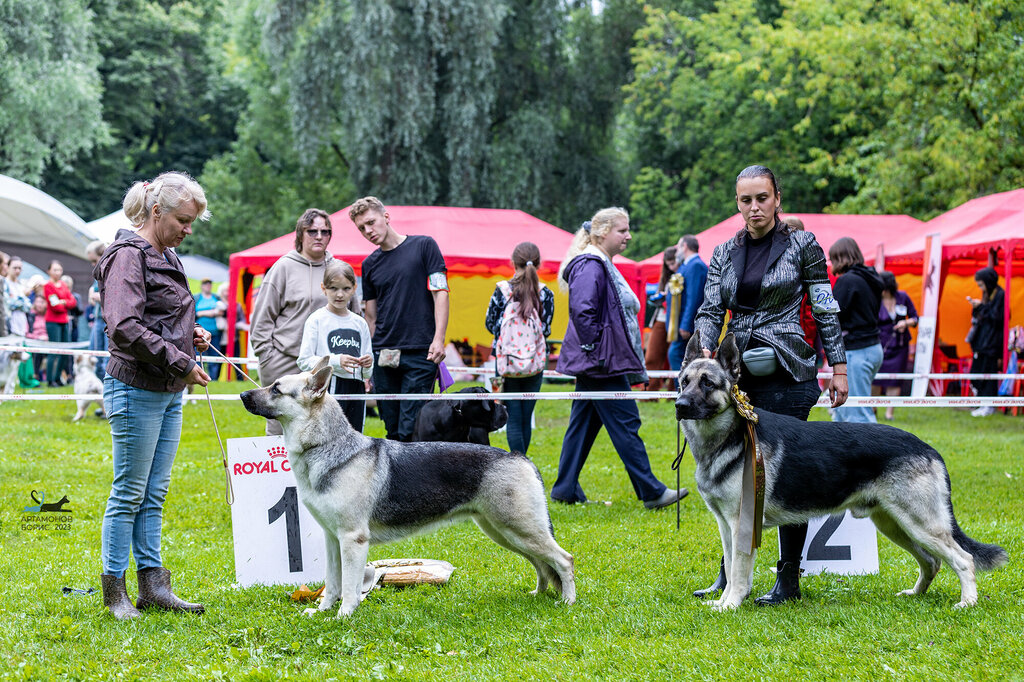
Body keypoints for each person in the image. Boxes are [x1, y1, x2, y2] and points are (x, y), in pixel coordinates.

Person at [693, 165, 849, 605]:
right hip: (736, 380)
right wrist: (706, 346)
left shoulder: (803, 244)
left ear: (777, 198)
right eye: (746, 200)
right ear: (737, 203)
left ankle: (788, 578)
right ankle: (729, 575)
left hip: (788, 373)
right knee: (730, 476)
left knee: (789, 477)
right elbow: (709, 311)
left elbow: (825, 308)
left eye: (762, 198)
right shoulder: (724, 251)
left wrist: (837, 366)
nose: (754, 207)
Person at [95, 171, 212, 620]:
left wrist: (190, 335)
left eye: (192, 222)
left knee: (154, 493)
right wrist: (182, 361)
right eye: (183, 220)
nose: (188, 229)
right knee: (129, 492)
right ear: (157, 211)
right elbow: (124, 328)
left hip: (166, 389)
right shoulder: (127, 255)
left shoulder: (168, 254)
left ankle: (154, 587)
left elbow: (157, 315)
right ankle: (114, 592)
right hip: (134, 388)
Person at [551, 208, 686, 510]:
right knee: (627, 422)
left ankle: (564, 489)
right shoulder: (591, 264)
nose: (628, 235)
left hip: (600, 360)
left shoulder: (600, 263)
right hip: (602, 362)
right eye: (622, 231)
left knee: (582, 424)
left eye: (627, 230)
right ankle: (651, 491)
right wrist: (596, 349)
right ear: (601, 233)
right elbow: (582, 311)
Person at [351, 196, 449, 441]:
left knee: (412, 428)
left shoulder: (424, 246)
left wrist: (439, 339)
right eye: (362, 228)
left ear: (386, 216)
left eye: (371, 222)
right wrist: (370, 361)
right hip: (384, 354)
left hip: (421, 351)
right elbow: (370, 317)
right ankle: (397, 480)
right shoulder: (369, 264)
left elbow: (441, 293)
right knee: (392, 429)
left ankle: (417, 479)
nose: (368, 231)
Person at [250, 208, 339, 435]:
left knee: (323, 429)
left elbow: (351, 312)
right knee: (279, 427)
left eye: (325, 231)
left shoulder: (336, 268)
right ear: (300, 234)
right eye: (312, 231)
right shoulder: (283, 267)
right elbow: (261, 318)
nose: (319, 236)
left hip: (324, 365)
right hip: (284, 360)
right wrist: (267, 358)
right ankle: (277, 473)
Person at [484, 241, 554, 454]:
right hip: (534, 362)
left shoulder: (502, 290)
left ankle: (520, 464)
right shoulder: (545, 294)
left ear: (513, 263)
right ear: (539, 264)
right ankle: (525, 463)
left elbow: (490, 324)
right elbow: (546, 329)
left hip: (507, 362)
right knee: (526, 414)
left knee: (512, 416)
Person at [298, 260, 373, 432]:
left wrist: (368, 365)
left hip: (356, 389)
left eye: (346, 288)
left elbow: (366, 371)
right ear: (323, 288)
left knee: (355, 436)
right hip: (327, 388)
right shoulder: (316, 320)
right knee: (328, 437)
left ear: (354, 288)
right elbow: (304, 360)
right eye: (333, 288)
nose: (340, 294)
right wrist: (336, 361)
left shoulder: (360, 323)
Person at [829, 237, 884, 424]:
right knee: (845, 411)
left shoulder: (847, 281)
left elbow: (833, 314)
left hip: (857, 350)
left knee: (856, 414)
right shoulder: (870, 278)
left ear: (838, 258)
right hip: (872, 348)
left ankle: (877, 452)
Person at [873, 271, 918, 420]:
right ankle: (872, 408)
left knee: (895, 379)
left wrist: (906, 322)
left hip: (900, 346)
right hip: (880, 345)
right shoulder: (875, 299)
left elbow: (915, 318)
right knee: (876, 378)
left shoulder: (902, 297)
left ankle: (889, 412)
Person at [666, 234, 708, 372]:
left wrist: (686, 324)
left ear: (684, 246)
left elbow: (694, 297)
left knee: (675, 354)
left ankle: (683, 390)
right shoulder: (687, 265)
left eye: (678, 247)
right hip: (682, 322)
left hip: (687, 325)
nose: (677, 251)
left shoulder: (695, 265)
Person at [967, 267, 1005, 417]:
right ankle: (982, 402)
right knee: (977, 373)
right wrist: (977, 307)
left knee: (988, 374)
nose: (980, 288)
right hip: (982, 342)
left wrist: (981, 306)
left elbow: (997, 317)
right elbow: (984, 316)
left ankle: (989, 405)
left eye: (981, 285)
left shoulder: (1000, 295)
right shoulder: (988, 294)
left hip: (992, 343)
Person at [644, 247, 676, 392]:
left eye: (673, 263)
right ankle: (649, 393)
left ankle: (673, 393)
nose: (671, 267)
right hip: (661, 319)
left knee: (674, 358)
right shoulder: (665, 277)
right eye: (668, 264)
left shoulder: (685, 274)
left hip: (677, 321)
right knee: (651, 356)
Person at [42, 260, 76, 386]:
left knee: (65, 351)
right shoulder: (48, 286)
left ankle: (57, 378)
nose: (57, 272)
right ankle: (50, 380)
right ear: (49, 271)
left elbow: (73, 302)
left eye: (59, 270)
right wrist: (65, 302)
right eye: (55, 270)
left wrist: (63, 302)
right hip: (52, 321)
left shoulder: (63, 285)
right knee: (53, 351)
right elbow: (55, 306)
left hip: (64, 321)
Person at [85, 241, 109, 378]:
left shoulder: (112, 270)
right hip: (98, 318)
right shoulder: (98, 272)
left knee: (107, 358)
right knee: (94, 355)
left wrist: (97, 296)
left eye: (94, 260)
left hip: (108, 321)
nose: (93, 264)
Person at [193, 278, 223, 380]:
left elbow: (222, 312)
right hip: (199, 334)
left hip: (215, 333)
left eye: (210, 284)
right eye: (206, 284)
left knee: (214, 358)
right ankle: (198, 377)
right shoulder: (197, 298)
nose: (208, 285)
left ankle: (213, 379)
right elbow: (193, 313)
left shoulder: (216, 297)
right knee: (198, 357)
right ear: (202, 286)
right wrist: (210, 313)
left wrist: (203, 313)